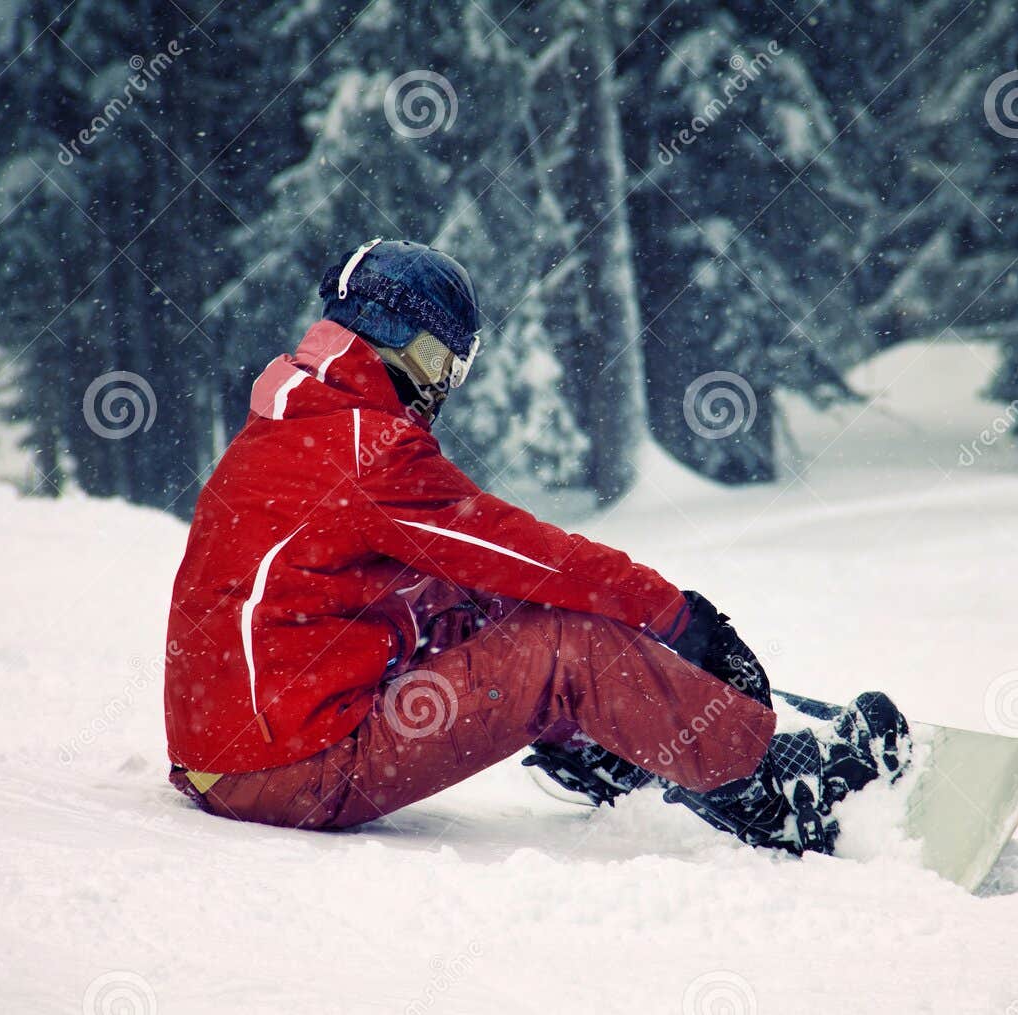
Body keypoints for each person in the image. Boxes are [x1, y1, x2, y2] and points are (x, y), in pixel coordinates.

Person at [164, 238, 908, 855]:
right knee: (563, 643)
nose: (445, 387)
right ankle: (771, 788)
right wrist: (682, 618)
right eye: (445, 363)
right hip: (292, 768)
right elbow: (533, 556)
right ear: (407, 348)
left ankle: (607, 739)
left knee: (471, 598)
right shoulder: (367, 448)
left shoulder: (291, 425)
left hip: (234, 755)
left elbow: (476, 572)